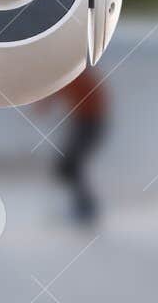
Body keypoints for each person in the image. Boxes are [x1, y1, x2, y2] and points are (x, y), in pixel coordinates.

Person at [39, 67, 109, 226]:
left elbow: (60, 91)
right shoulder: (73, 75)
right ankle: (84, 206)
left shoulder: (75, 75)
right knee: (67, 167)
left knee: (68, 166)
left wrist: (44, 104)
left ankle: (86, 208)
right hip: (85, 122)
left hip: (90, 122)